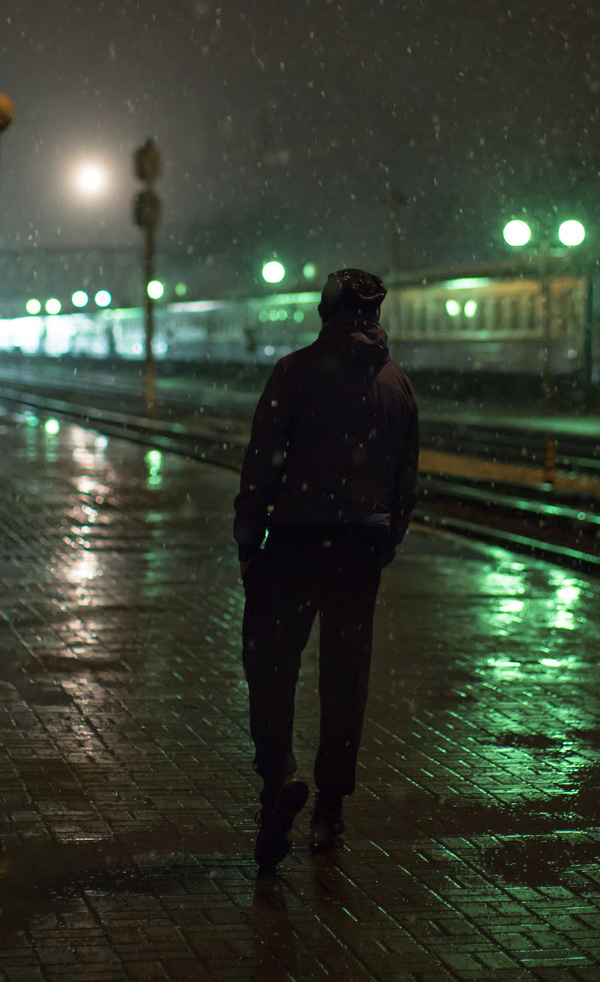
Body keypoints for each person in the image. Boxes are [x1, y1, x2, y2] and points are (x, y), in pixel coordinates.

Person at [233, 268, 419, 873]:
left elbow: (263, 461)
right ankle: (331, 809)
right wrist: (384, 537)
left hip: (293, 540)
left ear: (324, 311)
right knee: (345, 677)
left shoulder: (294, 372)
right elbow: (405, 479)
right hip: (360, 547)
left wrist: (248, 536)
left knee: (271, 664)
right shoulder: (398, 385)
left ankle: (278, 779)